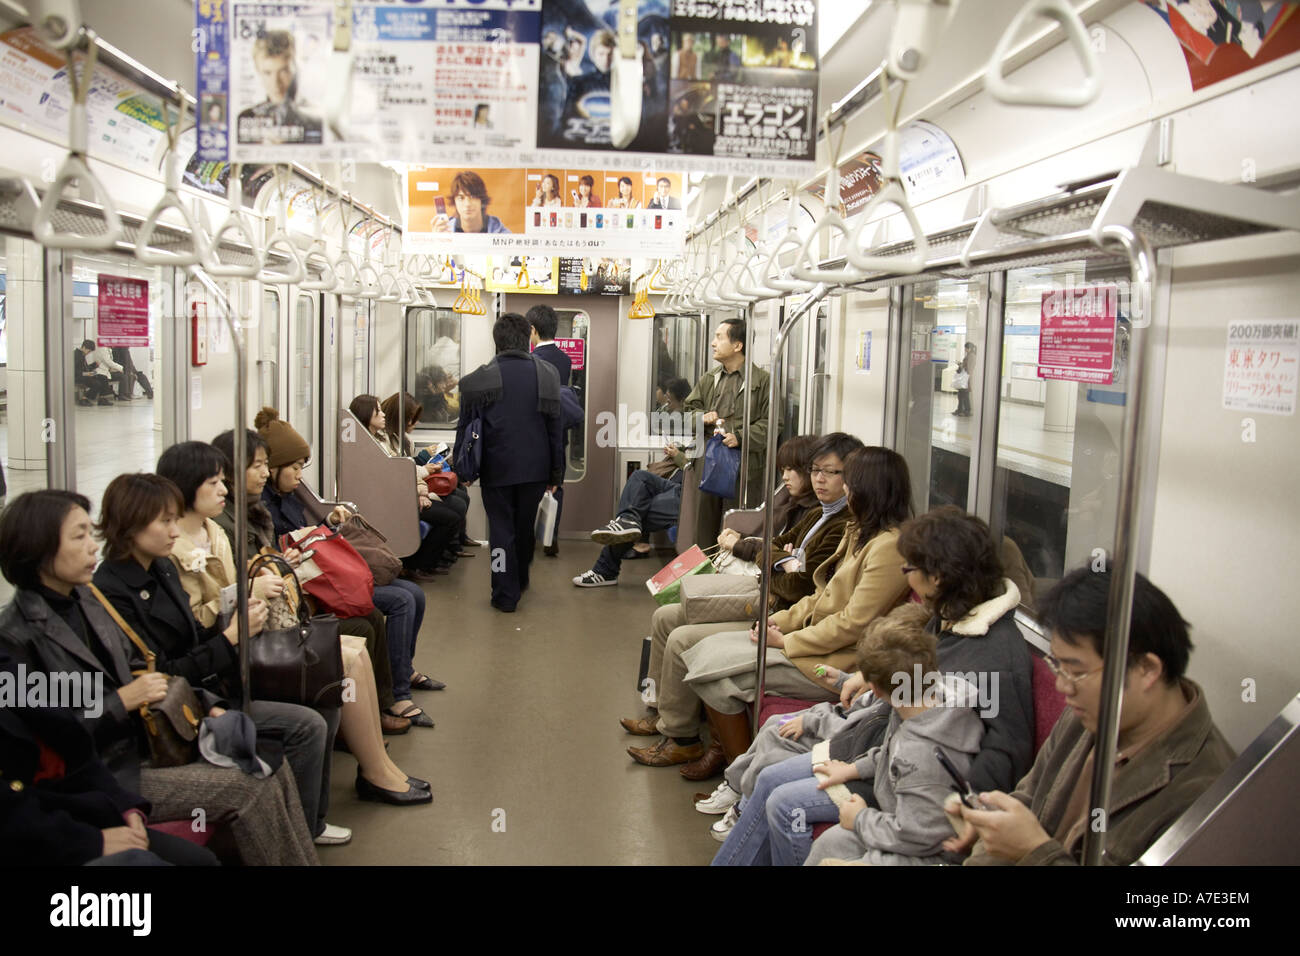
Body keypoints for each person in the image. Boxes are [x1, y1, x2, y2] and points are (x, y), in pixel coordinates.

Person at [0, 490, 317, 863]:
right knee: (248, 785)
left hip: (142, 741)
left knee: (269, 762)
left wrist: (203, 704)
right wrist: (122, 702)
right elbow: (57, 738)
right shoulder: (16, 639)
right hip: (114, 767)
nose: (92, 547)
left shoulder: (86, 599)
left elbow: (146, 666)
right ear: (38, 548)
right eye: (79, 536)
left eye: (90, 534)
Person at [708, 505, 1036, 857]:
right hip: (882, 748)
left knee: (785, 802)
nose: (907, 578)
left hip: (914, 783)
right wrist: (867, 679)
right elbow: (921, 693)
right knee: (772, 769)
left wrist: (966, 810)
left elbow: (1006, 748)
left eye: (910, 569)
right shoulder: (948, 617)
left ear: (937, 577)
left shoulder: (995, 656)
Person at [158, 441, 430, 807]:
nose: (224, 489)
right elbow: (197, 620)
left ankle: (379, 762)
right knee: (353, 645)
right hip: (232, 650)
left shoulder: (217, 531)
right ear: (188, 485)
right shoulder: (179, 550)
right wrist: (251, 587)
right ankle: (374, 766)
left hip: (252, 628)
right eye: (214, 482)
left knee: (359, 647)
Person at [626, 446, 913, 775]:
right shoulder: (855, 530)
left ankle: (732, 773)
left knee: (703, 661)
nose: (836, 485)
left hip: (832, 658)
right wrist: (778, 617)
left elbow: (846, 621)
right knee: (682, 632)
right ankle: (690, 736)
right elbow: (818, 593)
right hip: (798, 625)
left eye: (843, 478)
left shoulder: (885, 545)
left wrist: (787, 639)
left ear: (871, 489)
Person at [91, 472, 333, 854]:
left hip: (202, 695)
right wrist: (230, 639)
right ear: (131, 524)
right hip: (165, 727)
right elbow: (162, 676)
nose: (174, 532)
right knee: (300, 731)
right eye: (164, 521)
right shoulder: (111, 595)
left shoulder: (161, 568)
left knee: (318, 703)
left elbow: (189, 641)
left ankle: (301, 841)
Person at [949, 567, 1235, 867]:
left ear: (1147, 669)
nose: (1062, 685)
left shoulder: (1204, 797)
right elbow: (1030, 798)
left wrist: (1034, 853)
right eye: (1058, 666)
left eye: (1076, 670)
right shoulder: (1091, 715)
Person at [247, 412, 430, 730]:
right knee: (391, 606)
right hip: (306, 591)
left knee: (409, 596)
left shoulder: (288, 498)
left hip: (316, 578)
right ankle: (392, 697)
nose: (298, 474)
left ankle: (391, 689)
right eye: (293, 467)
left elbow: (308, 534)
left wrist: (326, 524)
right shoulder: (261, 511)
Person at [798, 606, 986, 866]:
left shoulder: (920, 754)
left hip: (925, 851)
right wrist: (854, 769)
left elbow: (918, 835)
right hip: (900, 818)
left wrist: (861, 819)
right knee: (828, 844)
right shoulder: (922, 699)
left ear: (874, 690)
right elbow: (890, 750)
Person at [0, 646, 222, 866]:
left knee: (201, 860)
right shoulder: (18, 631)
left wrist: (124, 805)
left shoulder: (8, 665)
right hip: (40, 834)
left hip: (89, 793)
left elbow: (72, 742)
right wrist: (89, 841)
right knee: (239, 789)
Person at [454, 313, 564, 613]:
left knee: (501, 531)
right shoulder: (547, 374)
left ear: (497, 340)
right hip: (536, 470)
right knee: (524, 527)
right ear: (529, 336)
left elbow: (464, 429)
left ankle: (505, 592)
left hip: (496, 469)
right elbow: (555, 431)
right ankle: (521, 577)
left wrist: (461, 468)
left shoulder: (479, 379)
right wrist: (557, 472)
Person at [682, 319, 775, 541]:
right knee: (704, 526)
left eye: (719, 337)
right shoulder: (709, 379)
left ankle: (732, 575)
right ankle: (704, 572)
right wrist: (701, 418)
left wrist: (740, 437)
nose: (713, 343)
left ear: (737, 345)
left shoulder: (762, 382)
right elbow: (686, 414)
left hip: (743, 466)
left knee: (737, 528)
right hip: (708, 461)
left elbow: (771, 424)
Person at [527, 305, 570, 557]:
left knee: (532, 486)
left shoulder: (532, 361)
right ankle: (551, 537)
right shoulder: (565, 360)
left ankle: (531, 536)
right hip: (558, 432)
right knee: (556, 486)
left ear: (533, 330)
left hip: (534, 434)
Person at [235, 29, 322, 146]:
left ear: (296, 69)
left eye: (283, 71)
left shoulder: (316, 118)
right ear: (258, 71)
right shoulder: (246, 118)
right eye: (267, 73)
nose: (275, 82)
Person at [432, 171, 510, 234]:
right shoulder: (443, 232)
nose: (467, 204)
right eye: (461, 198)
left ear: (481, 200)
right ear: (454, 202)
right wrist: (436, 244)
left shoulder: (503, 235)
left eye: (473, 197)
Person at [74, 340, 115, 406]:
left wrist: (94, 365)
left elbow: (85, 368)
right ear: (84, 347)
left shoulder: (82, 355)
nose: (88, 353)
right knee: (97, 384)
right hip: (78, 377)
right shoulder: (76, 355)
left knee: (103, 377)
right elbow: (76, 372)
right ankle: (84, 399)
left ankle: (102, 399)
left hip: (84, 375)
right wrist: (89, 374)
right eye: (89, 351)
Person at [954, 342, 976, 417]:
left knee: (965, 395)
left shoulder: (971, 356)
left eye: (966, 348)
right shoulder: (969, 355)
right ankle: (960, 409)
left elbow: (969, 368)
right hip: (965, 377)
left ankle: (967, 411)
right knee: (960, 395)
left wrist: (961, 365)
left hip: (966, 378)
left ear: (969, 348)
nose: (965, 349)